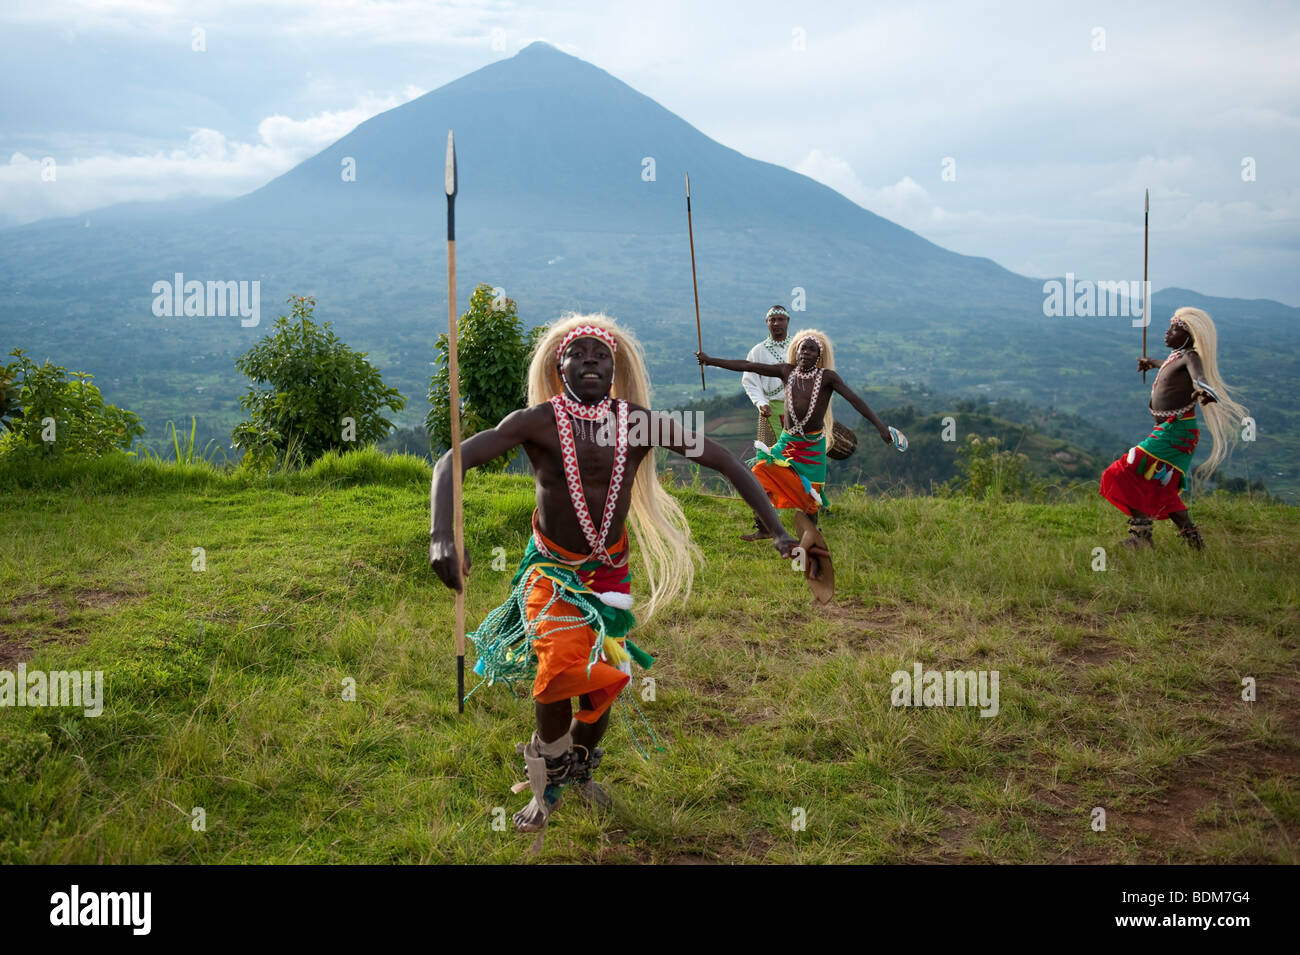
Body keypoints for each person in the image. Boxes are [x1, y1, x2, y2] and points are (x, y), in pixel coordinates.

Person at [430, 314, 797, 847]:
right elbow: (453, 461)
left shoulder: (639, 424)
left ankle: (578, 769)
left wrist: (778, 527)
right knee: (560, 664)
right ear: (560, 369)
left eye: (601, 356)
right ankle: (546, 783)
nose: (591, 363)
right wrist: (443, 534)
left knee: (604, 680)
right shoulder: (536, 422)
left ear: (617, 368)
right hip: (551, 570)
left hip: (610, 574)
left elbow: (723, 461)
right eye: (577, 354)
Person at [697, 328, 894, 541]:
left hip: (812, 447)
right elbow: (749, 366)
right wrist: (710, 361)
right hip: (787, 441)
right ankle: (764, 527)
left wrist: (881, 427)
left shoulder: (827, 377)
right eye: (803, 348)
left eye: (812, 349)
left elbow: (856, 401)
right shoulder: (786, 371)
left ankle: (812, 535)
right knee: (759, 474)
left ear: (819, 355)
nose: (807, 352)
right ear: (796, 351)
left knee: (811, 496)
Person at [1099, 307, 1248, 549]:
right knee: (1161, 486)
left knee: (1124, 469)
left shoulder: (1191, 356)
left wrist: (1203, 390)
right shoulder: (1177, 356)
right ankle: (1193, 543)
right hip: (1172, 431)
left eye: (1174, 329)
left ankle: (1142, 537)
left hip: (1176, 432)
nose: (1167, 333)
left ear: (1189, 335)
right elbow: (1168, 365)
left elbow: (1199, 377)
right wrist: (1151, 363)